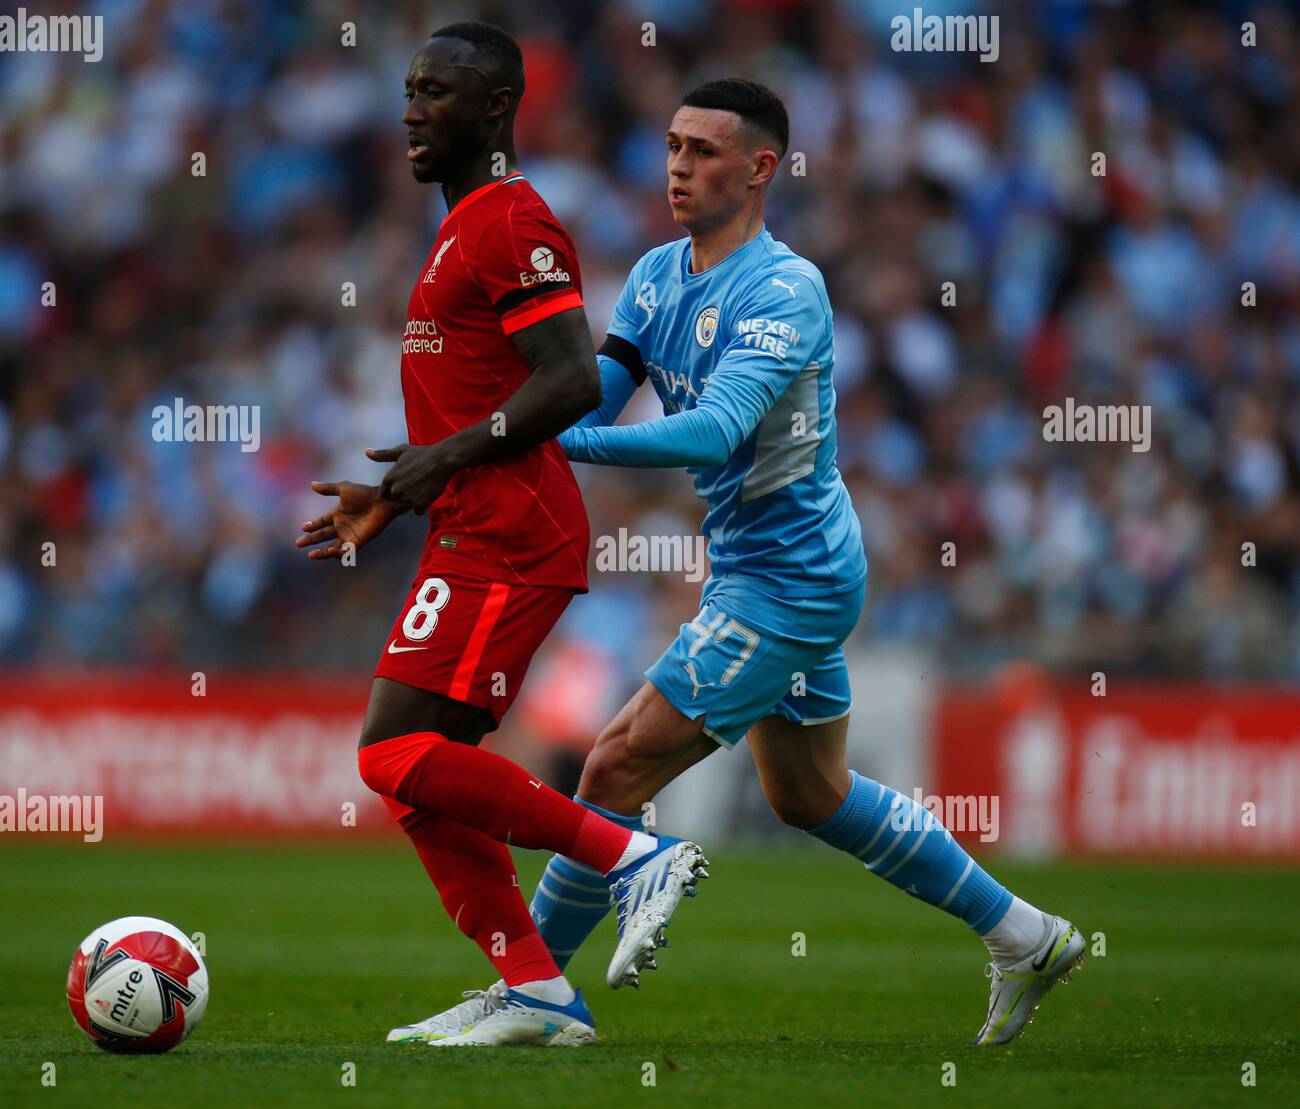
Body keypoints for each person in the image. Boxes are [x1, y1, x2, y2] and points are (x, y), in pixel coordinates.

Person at [408, 78, 1082, 1048]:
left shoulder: (784, 289)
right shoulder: (652, 274)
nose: (678, 166)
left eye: (704, 152)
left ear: (761, 168)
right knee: (809, 794)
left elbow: (718, 429)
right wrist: (505, 421)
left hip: (791, 576)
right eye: (673, 146)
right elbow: (591, 393)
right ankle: (1027, 935)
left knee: (612, 762)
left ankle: (534, 990)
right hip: (752, 564)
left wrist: (535, 447)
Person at [296, 22, 706, 1048]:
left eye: (436, 91)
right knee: (417, 769)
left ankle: (628, 855)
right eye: (407, 89)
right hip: (464, 528)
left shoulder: (512, 219)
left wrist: (444, 459)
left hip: (511, 534)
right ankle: (535, 986)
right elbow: (477, 398)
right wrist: (399, 492)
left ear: (494, 107)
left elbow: (571, 378)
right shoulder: (458, 225)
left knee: (393, 752)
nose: (410, 109)